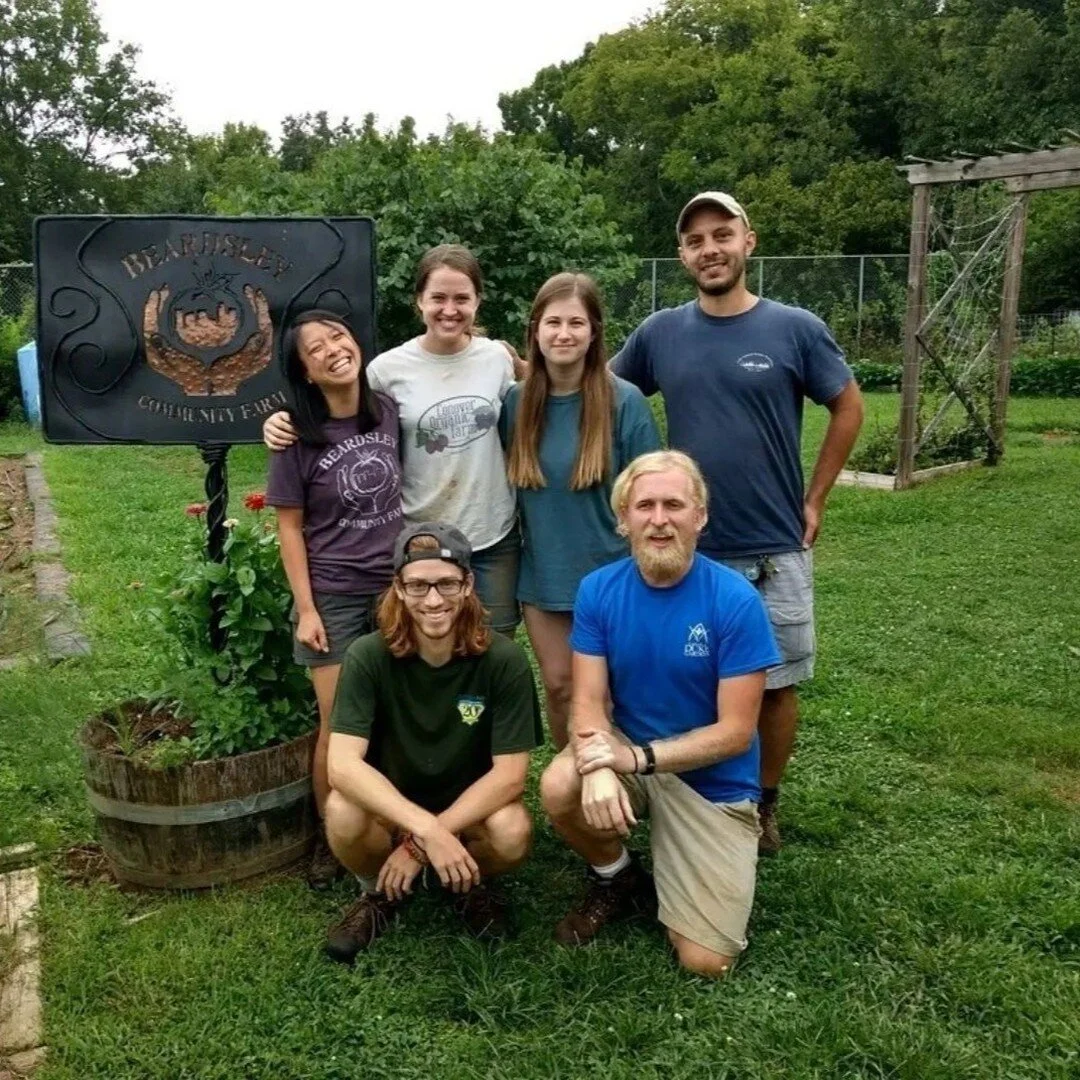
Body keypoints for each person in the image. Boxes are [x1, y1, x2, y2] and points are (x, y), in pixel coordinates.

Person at [611, 192, 865, 853]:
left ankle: (765, 802)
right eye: (696, 241)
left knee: (775, 687)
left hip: (773, 545)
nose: (710, 249)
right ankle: (699, 792)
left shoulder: (794, 329)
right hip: (687, 548)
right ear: (683, 256)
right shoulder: (661, 333)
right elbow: (595, 392)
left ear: (748, 241)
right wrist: (510, 362)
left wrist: (816, 499)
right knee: (693, 678)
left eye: (722, 235)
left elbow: (848, 407)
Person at [540, 450, 780, 977]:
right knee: (560, 786)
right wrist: (598, 763)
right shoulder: (599, 590)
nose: (660, 519)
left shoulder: (735, 600)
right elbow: (588, 698)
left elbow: (737, 733)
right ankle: (617, 875)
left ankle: (687, 870)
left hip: (710, 781)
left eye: (675, 504)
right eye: (644, 505)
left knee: (705, 962)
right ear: (622, 519)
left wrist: (632, 760)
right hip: (630, 753)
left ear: (701, 516)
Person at [265, 245, 523, 634]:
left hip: (493, 534)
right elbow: (334, 407)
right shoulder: (387, 369)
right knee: (430, 650)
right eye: (437, 298)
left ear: (477, 302)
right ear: (419, 300)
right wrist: (278, 420)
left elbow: (538, 394)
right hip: (420, 537)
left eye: (461, 298)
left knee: (493, 644)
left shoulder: (498, 358)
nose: (449, 309)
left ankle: (479, 701)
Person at [322, 522, 542, 964]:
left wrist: (423, 843)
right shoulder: (369, 655)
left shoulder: (503, 659)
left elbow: (511, 777)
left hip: (469, 808)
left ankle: (465, 883)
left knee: (512, 830)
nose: (434, 600)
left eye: (446, 584)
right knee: (341, 810)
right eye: (419, 586)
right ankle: (378, 892)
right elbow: (342, 766)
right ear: (399, 590)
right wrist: (423, 832)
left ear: (468, 585)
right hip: (394, 808)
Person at [265, 309, 403, 887]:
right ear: (305, 372)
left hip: (396, 590)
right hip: (337, 596)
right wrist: (306, 609)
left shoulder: (388, 412)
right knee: (340, 724)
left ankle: (393, 822)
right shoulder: (294, 434)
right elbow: (289, 528)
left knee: (396, 715)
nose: (333, 350)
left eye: (339, 336)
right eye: (315, 349)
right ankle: (331, 832)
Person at [501, 272, 661, 747]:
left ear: (594, 333)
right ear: (535, 330)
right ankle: (573, 788)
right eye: (552, 322)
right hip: (545, 574)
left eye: (576, 323)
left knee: (612, 694)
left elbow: (648, 493)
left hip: (614, 575)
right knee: (560, 687)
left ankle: (623, 786)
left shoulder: (623, 401)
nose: (563, 334)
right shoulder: (515, 404)